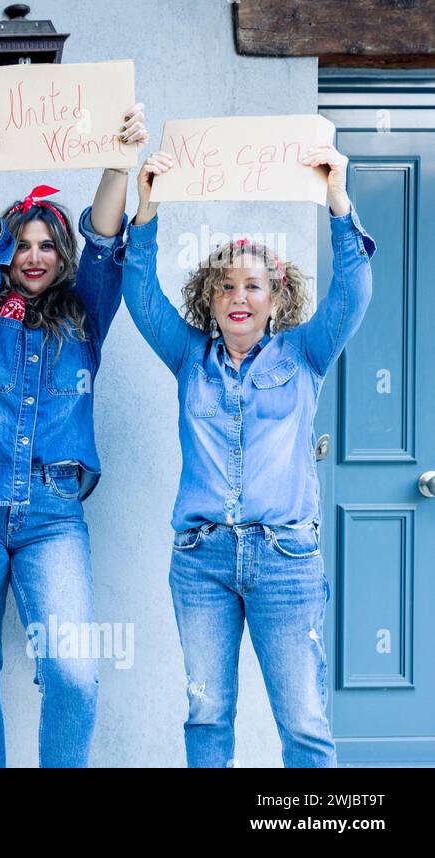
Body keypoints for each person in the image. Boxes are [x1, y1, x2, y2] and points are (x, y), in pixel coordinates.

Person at [123, 144, 373, 767]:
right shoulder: (189, 360)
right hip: (201, 560)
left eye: (253, 285)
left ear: (274, 294)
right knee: (207, 716)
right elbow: (140, 294)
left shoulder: (303, 355)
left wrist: (338, 199)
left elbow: (354, 291)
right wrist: (147, 206)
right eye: (226, 285)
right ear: (210, 296)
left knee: (305, 723)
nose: (239, 296)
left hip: (285, 558)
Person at [0, 103, 148, 767]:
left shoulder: (88, 315)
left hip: (52, 516)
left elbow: (107, 245)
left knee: (75, 673)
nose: (32, 255)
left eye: (47, 244)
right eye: (23, 244)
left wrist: (118, 163)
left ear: (63, 256)